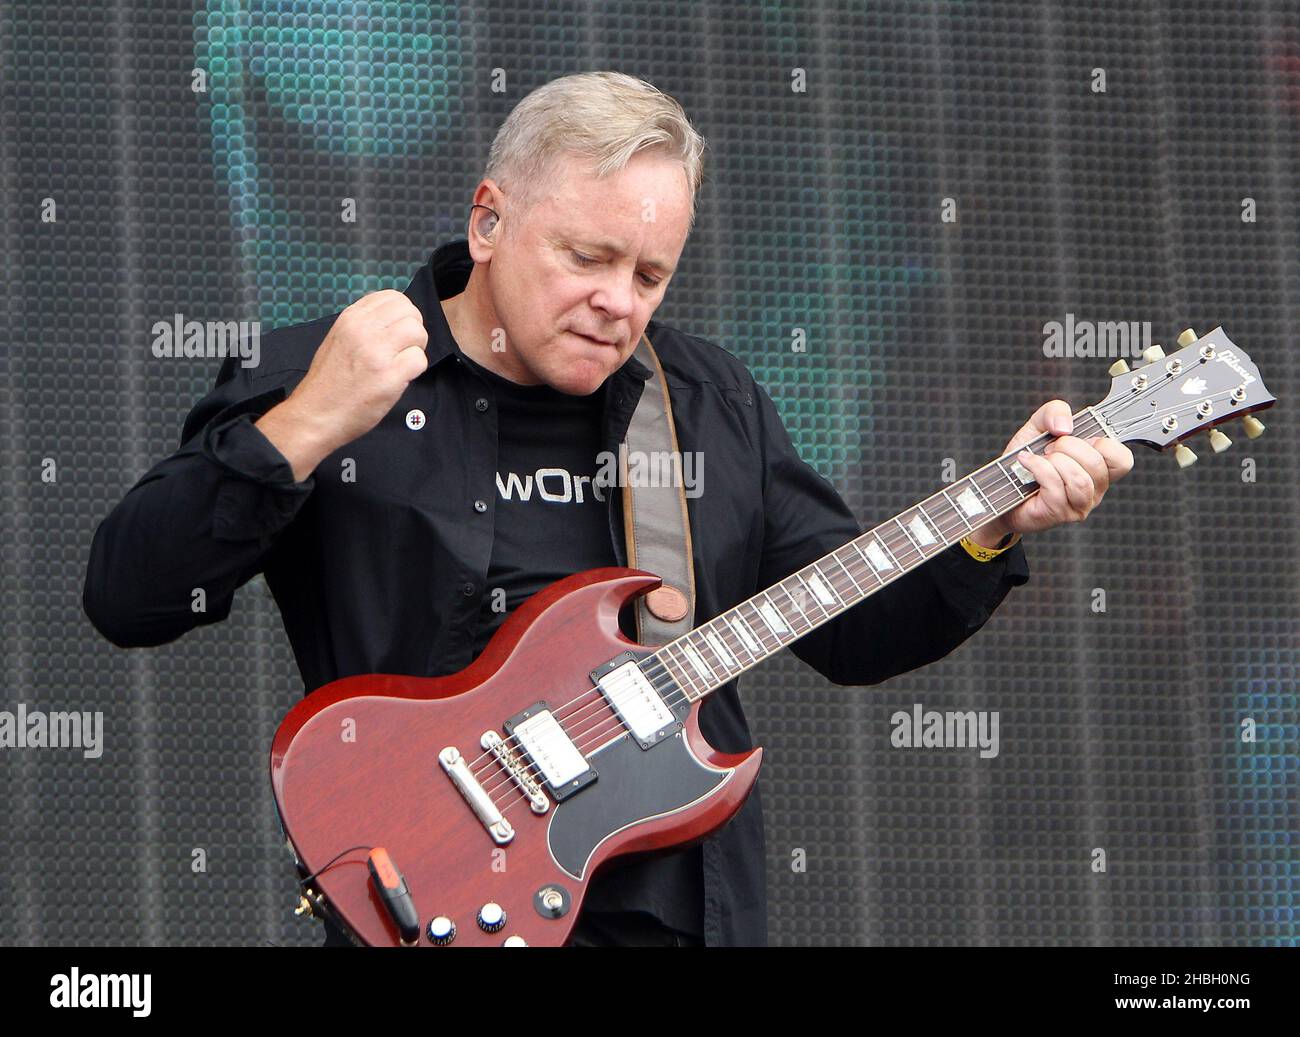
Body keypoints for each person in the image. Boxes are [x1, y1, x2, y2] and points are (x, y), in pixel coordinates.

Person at [83, 71, 1133, 947]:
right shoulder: (339, 369)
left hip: (677, 916)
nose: (618, 302)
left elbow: (857, 632)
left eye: (649, 274)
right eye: (586, 258)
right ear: (488, 219)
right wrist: (305, 422)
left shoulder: (706, 401)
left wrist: (990, 525)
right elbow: (130, 595)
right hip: (428, 907)